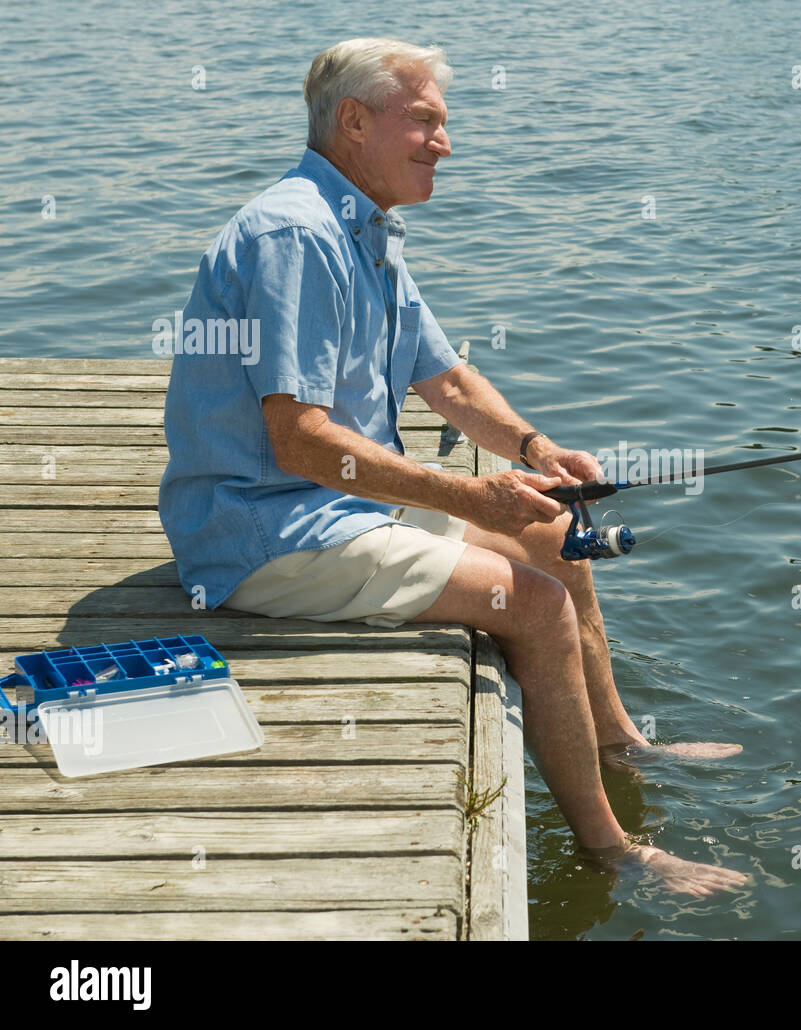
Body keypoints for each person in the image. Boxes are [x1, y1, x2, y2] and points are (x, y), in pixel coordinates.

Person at [158, 37, 745, 897]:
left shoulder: (364, 227)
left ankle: (622, 742)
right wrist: (472, 495)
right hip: (262, 530)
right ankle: (616, 852)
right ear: (354, 123)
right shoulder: (294, 235)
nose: (445, 142)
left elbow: (448, 377)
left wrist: (537, 454)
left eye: (444, 124)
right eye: (425, 122)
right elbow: (301, 443)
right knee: (534, 606)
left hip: (335, 510)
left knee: (551, 527)